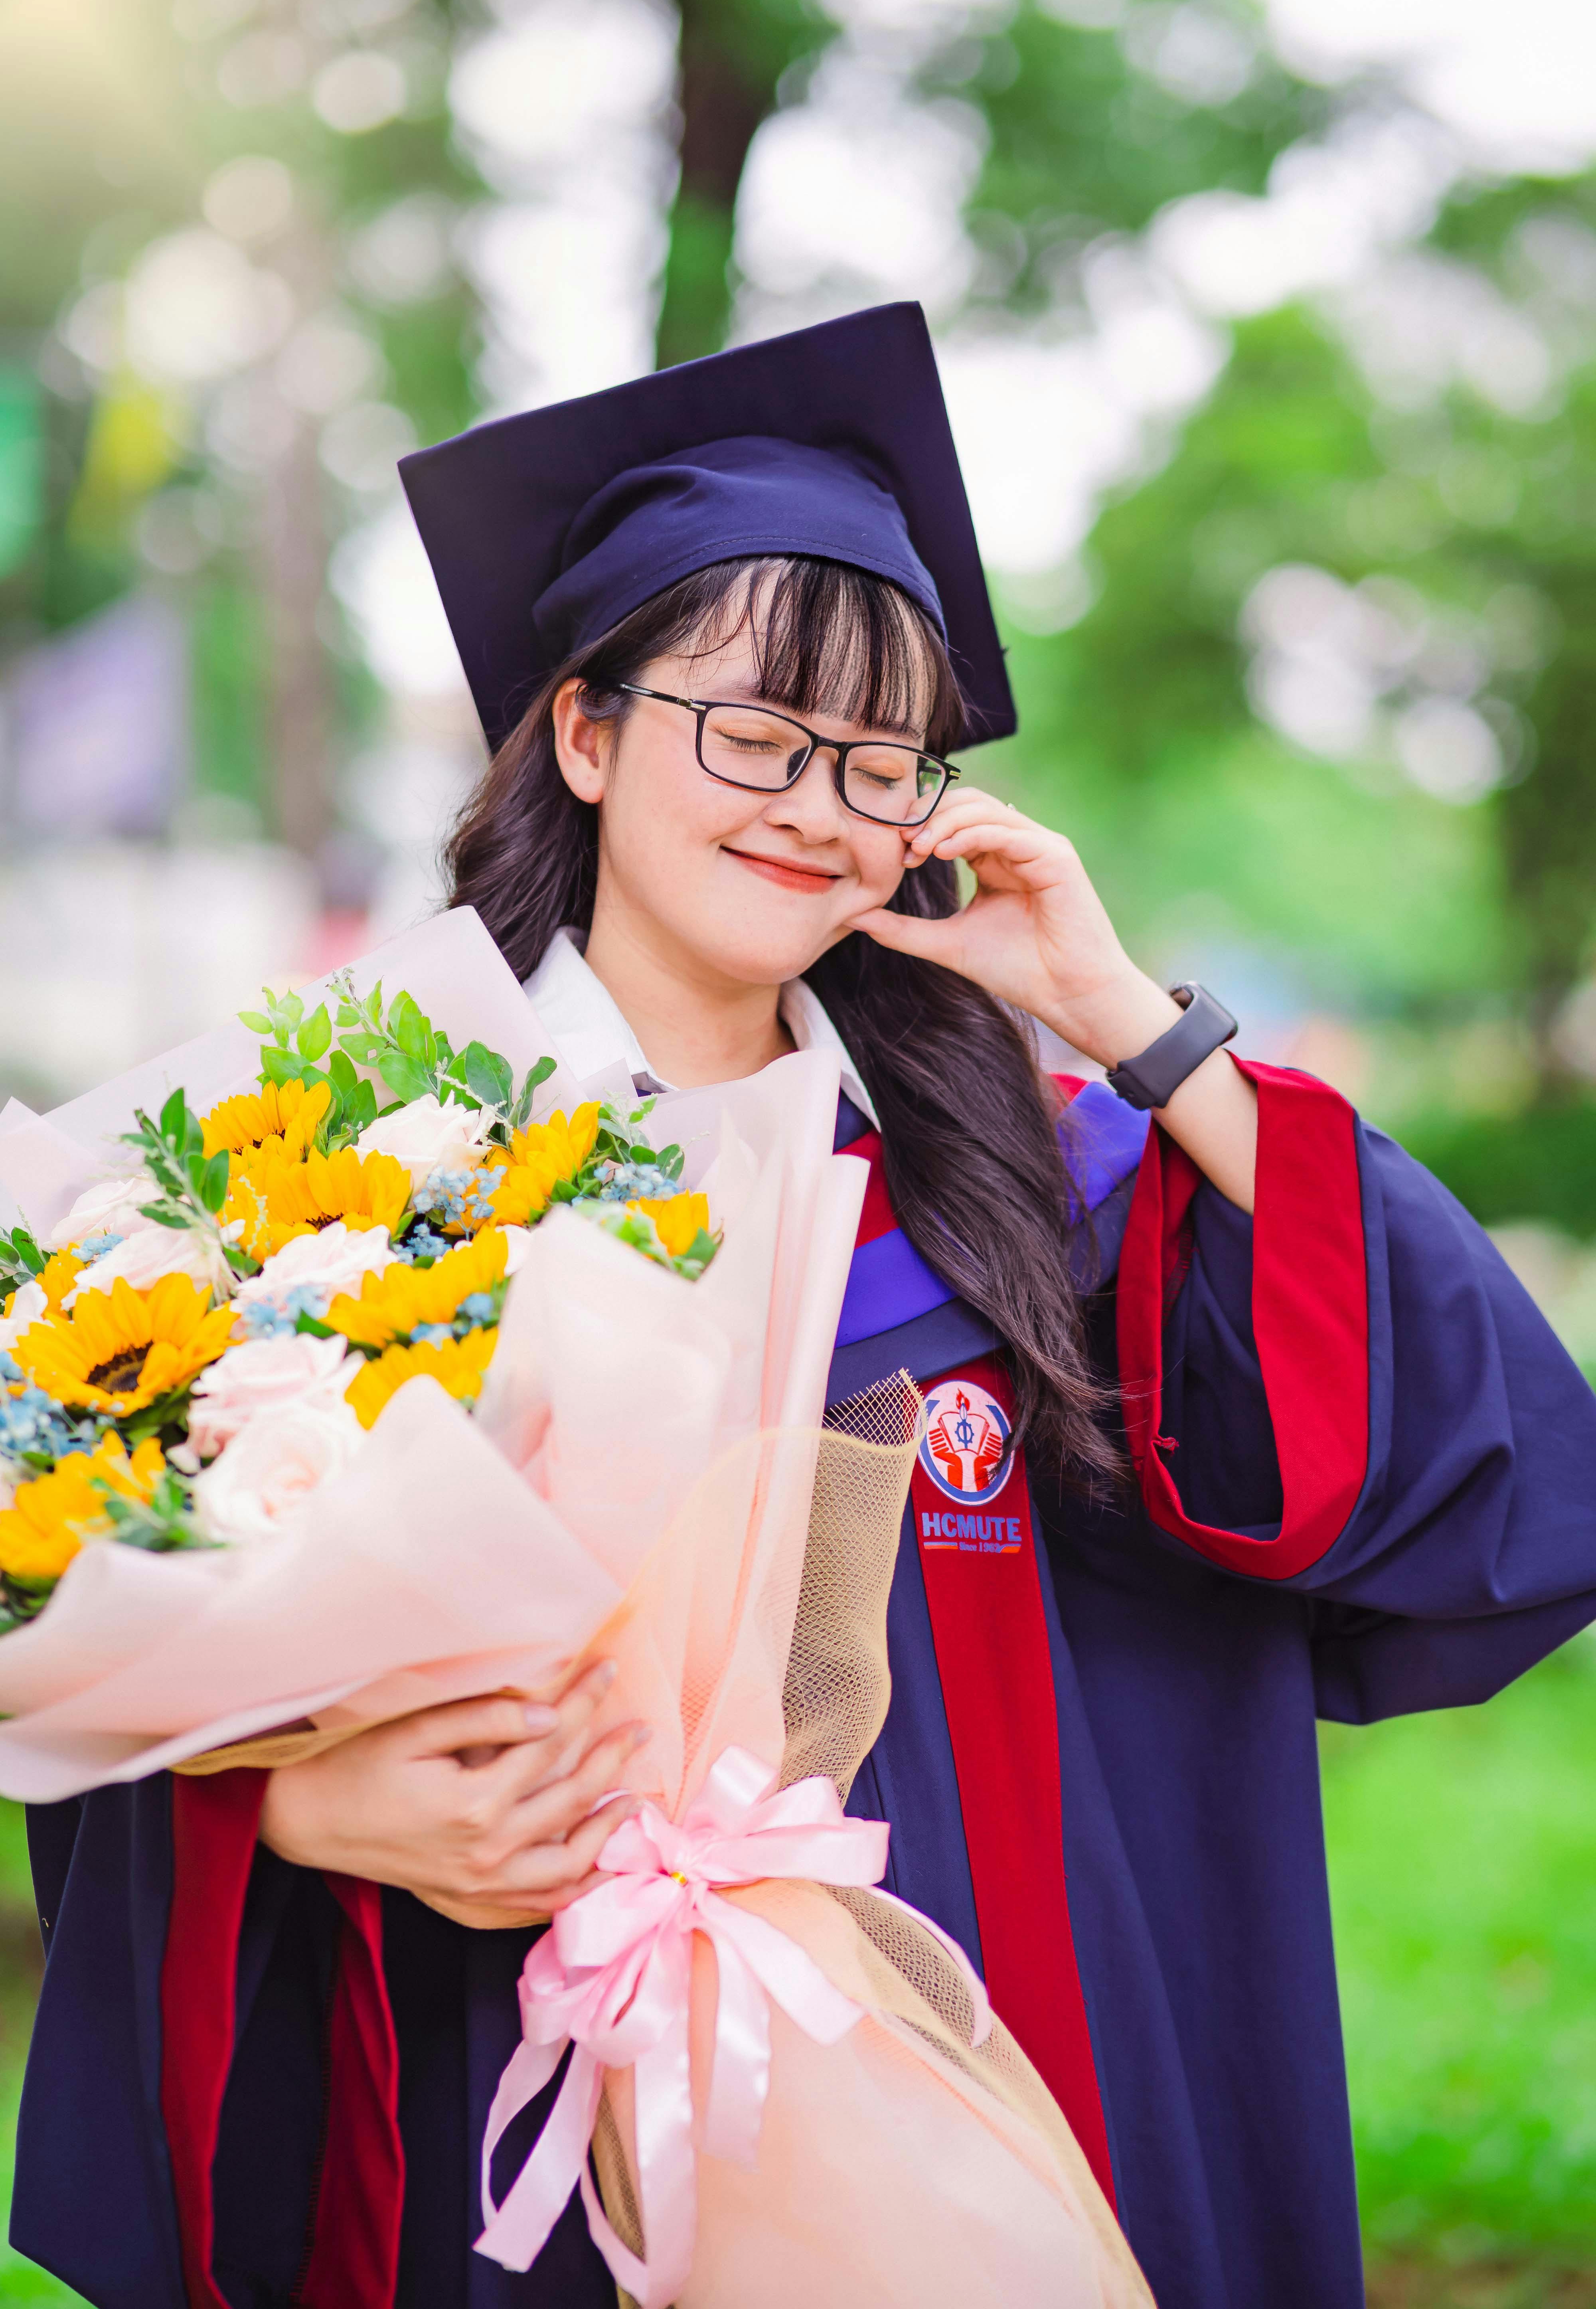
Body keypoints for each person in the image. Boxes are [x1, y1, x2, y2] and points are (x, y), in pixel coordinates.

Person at [14, 304, 1596, 2309]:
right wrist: (303, 1812)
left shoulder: (1023, 1177)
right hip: (520, 2118)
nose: (816, 805)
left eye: (876, 760)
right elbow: (109, 1602)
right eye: (754, 735)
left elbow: (1479, 1444)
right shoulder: (327, 1170)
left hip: (1000, 2104)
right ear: (585, 734)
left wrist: (1123, 1016)